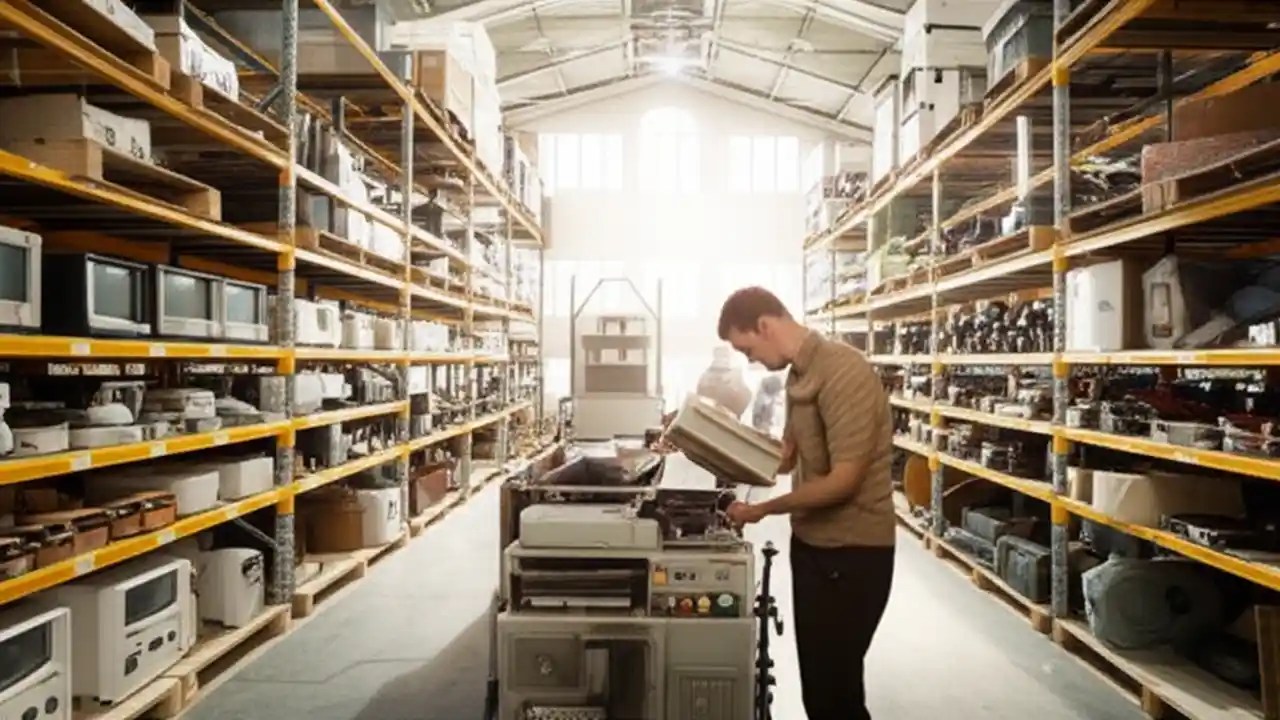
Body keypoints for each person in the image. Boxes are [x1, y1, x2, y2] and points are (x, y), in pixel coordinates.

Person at [717, 286, 895, 720]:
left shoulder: (843, 372)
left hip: (853, 554)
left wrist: (760, 511)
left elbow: (843, 482)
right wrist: (714, 444)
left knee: (838, 696)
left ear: (765, 325)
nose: (750, 361)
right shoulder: (799, 376)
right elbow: (787, 456)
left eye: (748, 349)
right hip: (815, 548)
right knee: (819, 691)